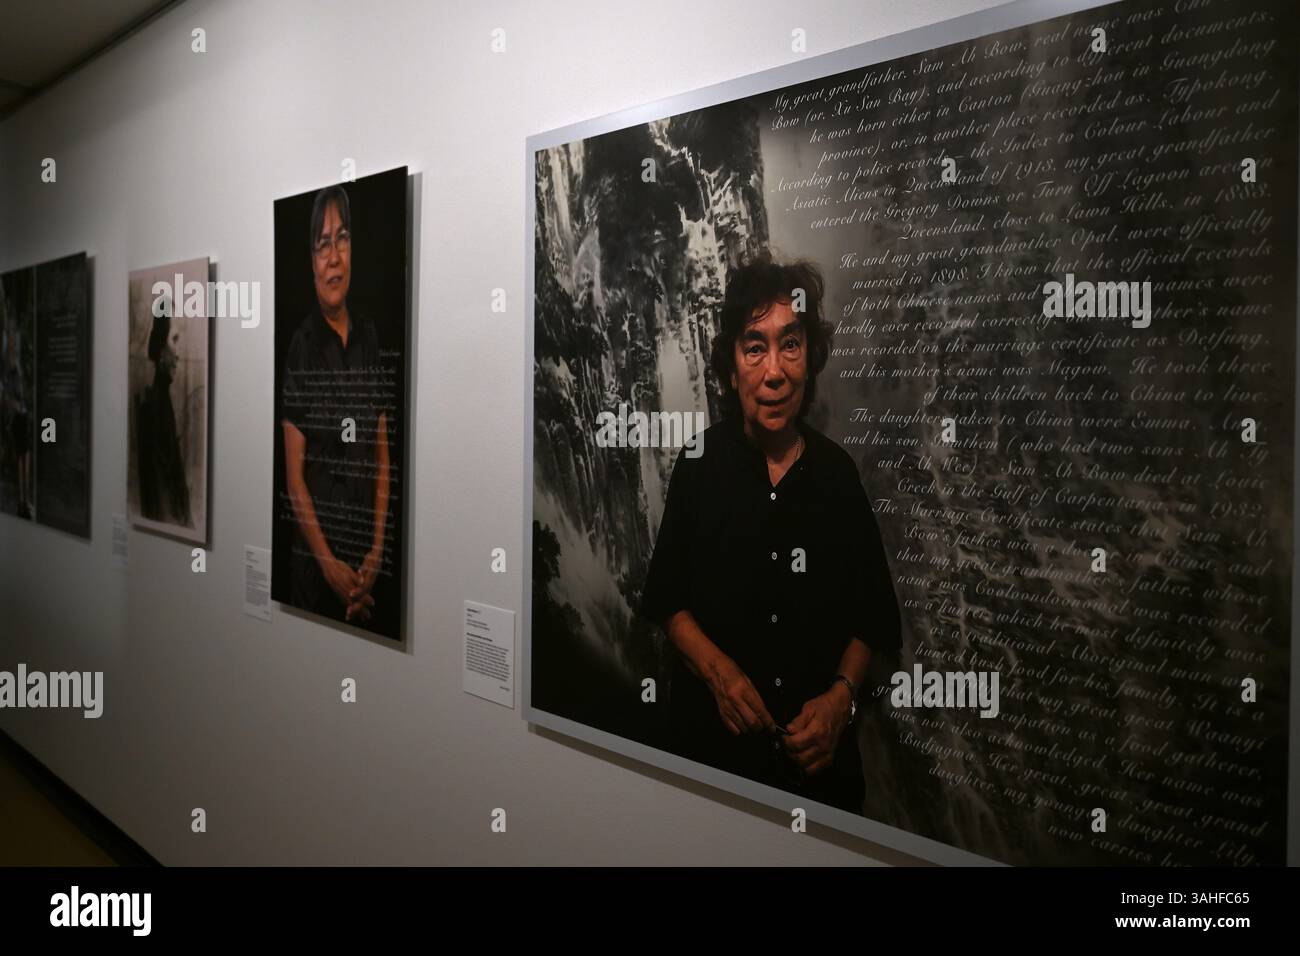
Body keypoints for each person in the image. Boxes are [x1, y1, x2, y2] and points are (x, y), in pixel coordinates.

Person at [640, 253, 900, 813]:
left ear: (811, 358)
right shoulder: (699, 466)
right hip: (711, 772)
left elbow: (871, 619)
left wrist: (840, 702)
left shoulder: (837, 476)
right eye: (755, 347)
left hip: (820, 786)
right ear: (732, 368)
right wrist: (719, 675)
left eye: (791, 344)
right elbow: (667, 601)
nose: (775, 371)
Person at [281, 185, 392, 627]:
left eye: (342, 238)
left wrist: (377, 552)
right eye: (322, 244)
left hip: (365, 577)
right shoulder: (302, 347)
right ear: (311, 261)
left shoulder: (370, 337)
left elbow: (382, 459)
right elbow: (294, 479)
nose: (333, 257)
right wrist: (329, 568)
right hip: (314, 582)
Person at [136, 302, 192, 527]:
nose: (178, 354)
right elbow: (162, 505)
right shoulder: (155, 409)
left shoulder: (161, 402)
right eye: (174, 340)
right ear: (160, 349)